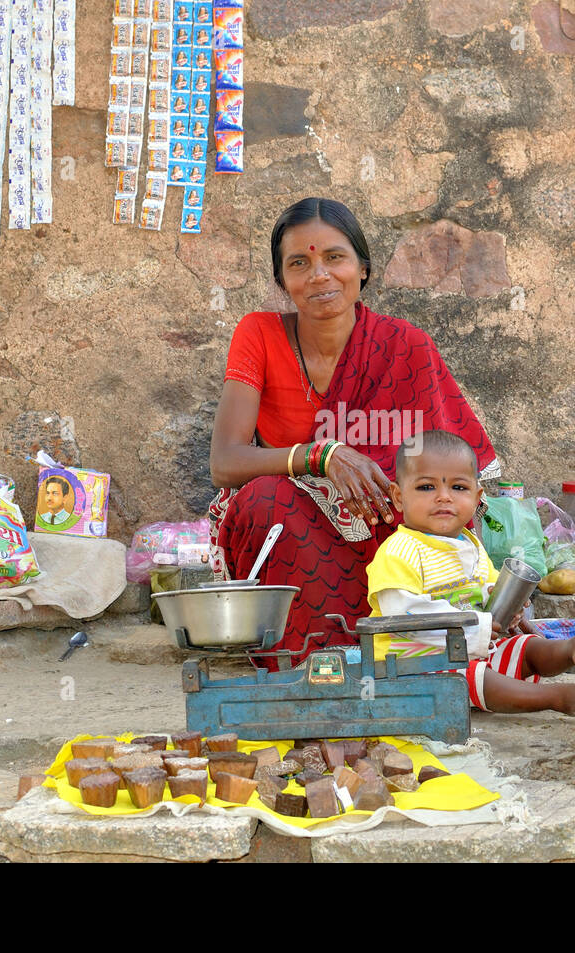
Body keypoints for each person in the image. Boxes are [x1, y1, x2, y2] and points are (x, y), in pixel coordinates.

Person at [209, 197, 498, 663]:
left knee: (415, 519)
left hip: (386, 530)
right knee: (266, 499)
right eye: (299, 263)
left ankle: (398, 655)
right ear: (282, 281)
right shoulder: (258, 334)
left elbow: (447, 473)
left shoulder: (406, 345)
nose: (319, 275)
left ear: (362, 267)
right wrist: (322, 455)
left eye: (334, 257)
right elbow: (225, 462)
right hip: (296, 527)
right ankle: (303, 665)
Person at [367, 430, 575, 715]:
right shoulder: (400, 550)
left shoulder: (472, 545)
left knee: (524, 648)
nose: (444, 497)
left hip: (469, 649)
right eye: (426, 488)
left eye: (458, 488)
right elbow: (405, 615)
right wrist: (476, 627)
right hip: (409, 664)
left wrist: (509, 610)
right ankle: (555, 697)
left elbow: (489, 592)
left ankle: (569, 650)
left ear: (477, 496)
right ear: (398, 496)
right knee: (476, 678)